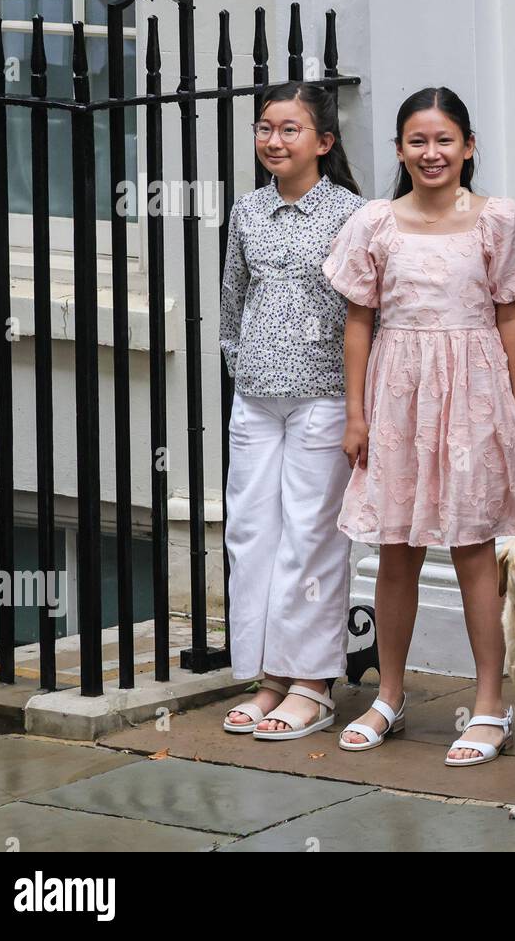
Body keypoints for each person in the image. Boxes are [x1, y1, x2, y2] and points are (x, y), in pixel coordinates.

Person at [325, 87, 515, 765]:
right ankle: (388, 695)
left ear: (469, 146)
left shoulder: (495, 222)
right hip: (399, 398)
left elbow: (511, 320)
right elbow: (359, 324)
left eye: (445, 139)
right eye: (418, 141)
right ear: (399, 149)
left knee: (475, 550)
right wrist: (358, 414)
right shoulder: (375, 224)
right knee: (396, 550)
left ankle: (490, 704)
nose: (432, 153)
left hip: (474, 397)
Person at [219, 82, 365, 739]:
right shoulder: (246, 211)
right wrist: (242, 361)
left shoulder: (354, 215)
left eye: (290, 130)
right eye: (264, 128)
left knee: (312, 537)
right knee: (252, 534)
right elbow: (231, 301)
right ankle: (267, 675)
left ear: (324, 143)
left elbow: (368, 314)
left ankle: (312, 682)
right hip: (255, 398)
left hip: (324, 397)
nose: (273, 141)